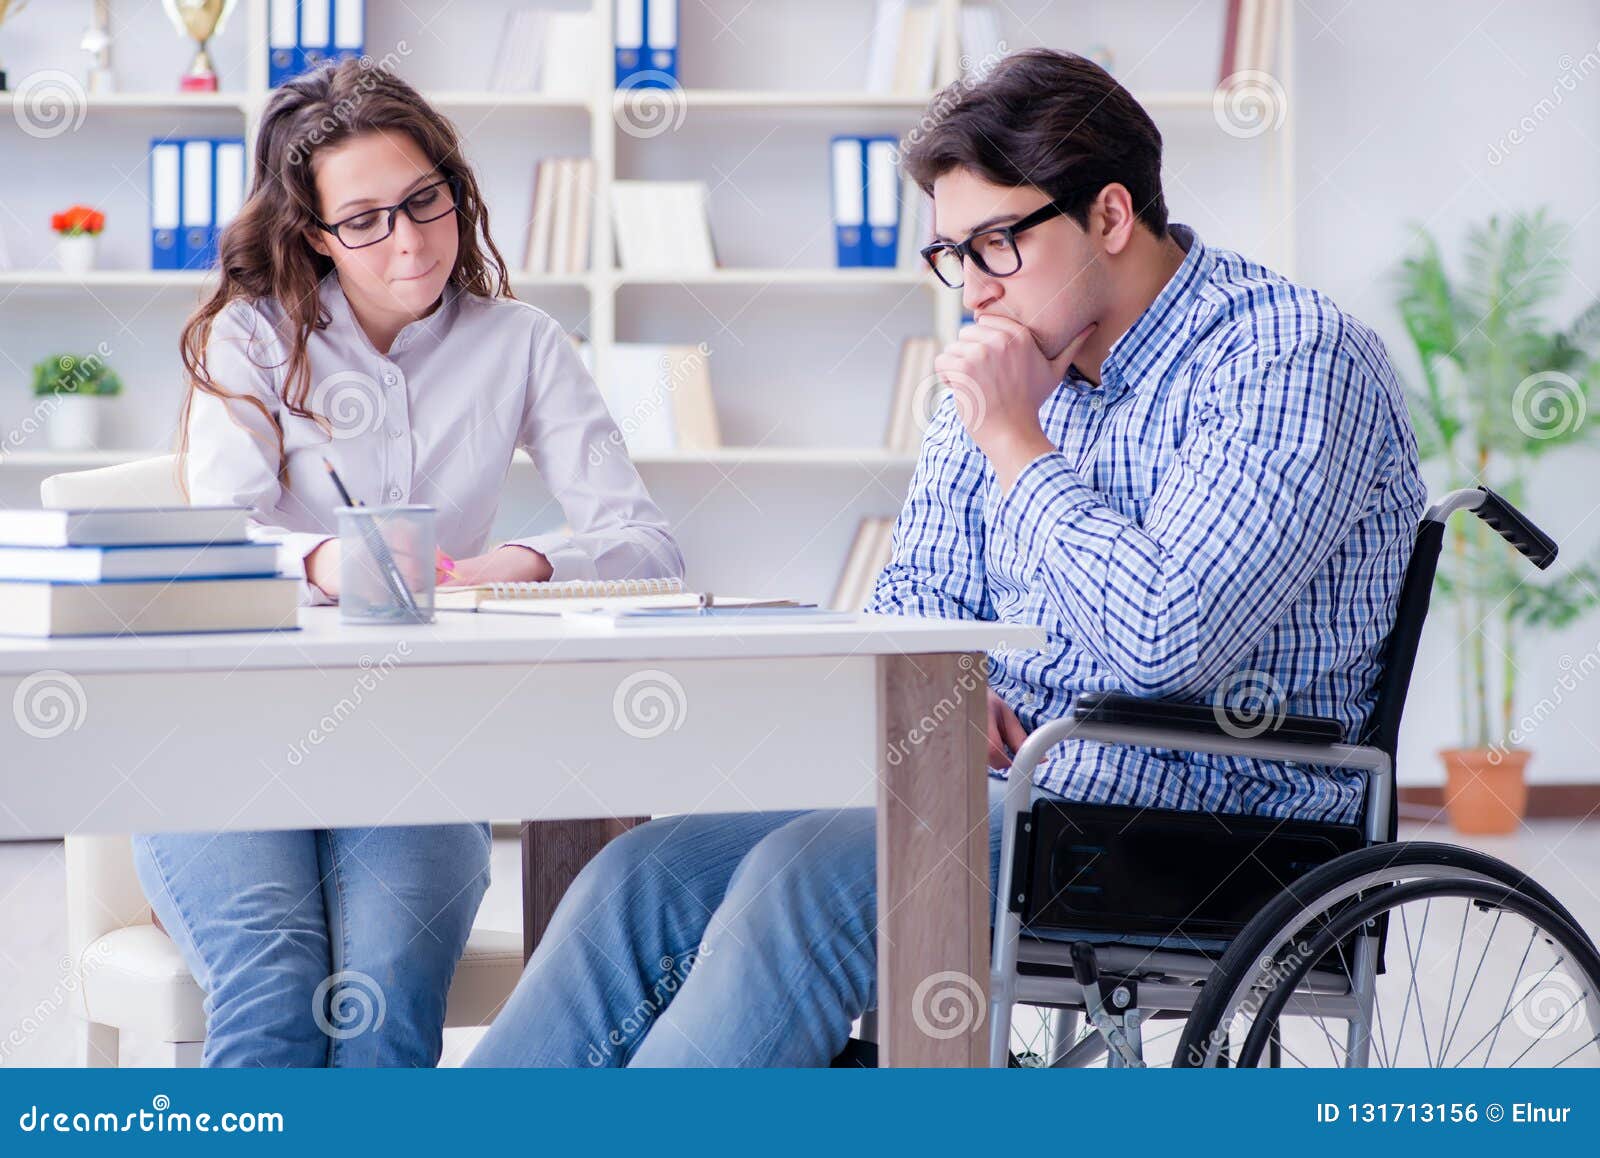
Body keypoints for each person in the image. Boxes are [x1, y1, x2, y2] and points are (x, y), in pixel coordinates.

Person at [466, 48, 1425, 1067]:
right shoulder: (1006, 355)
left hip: (1213, 816)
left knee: (808, 879)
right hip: (1019, 791)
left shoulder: (1287, 356)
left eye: (995, 245)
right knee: (640, 878)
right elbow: (917, 595)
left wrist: (1018, 441)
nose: (969, 289)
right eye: (950, 256)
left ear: (1107, 216)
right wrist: (952, 688)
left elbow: (1162, 639)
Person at [132, 60, 682, 1067]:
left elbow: (644, 541)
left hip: (414, 747)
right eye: (367, 219)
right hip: (223, 739)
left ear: (456, 190)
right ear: (311, 234)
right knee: (278, 988)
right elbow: (215, 544)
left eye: (426, 201)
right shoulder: (245, 341)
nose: (412, 240)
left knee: (385, 1002)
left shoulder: (520, 343)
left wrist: (519, 560)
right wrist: (329, 564)